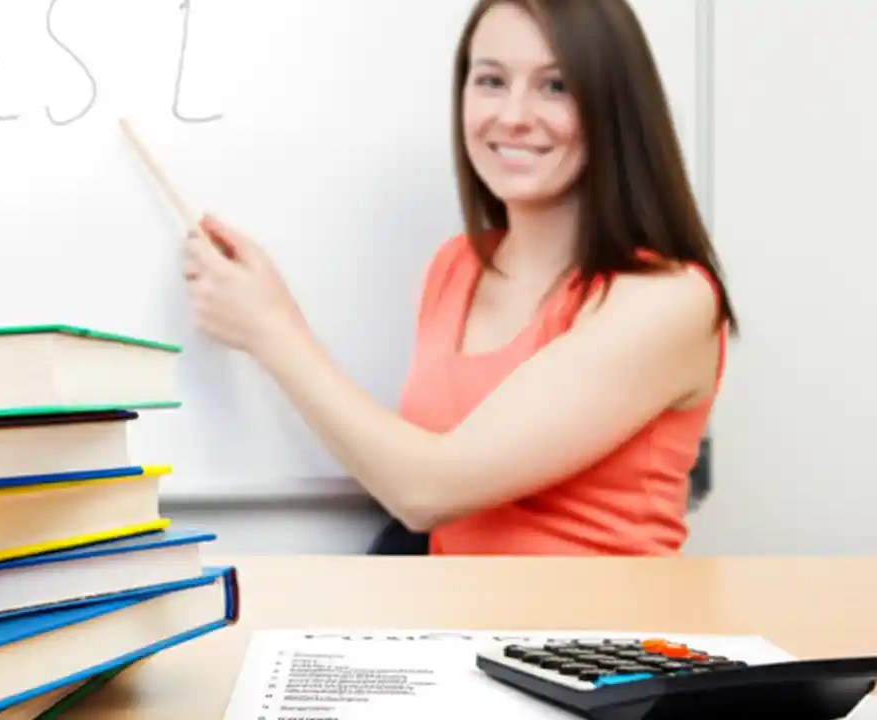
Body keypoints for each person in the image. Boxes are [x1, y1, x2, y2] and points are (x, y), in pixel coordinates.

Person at [179, 0, 736, 556]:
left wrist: (271, 331)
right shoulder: (457, 267)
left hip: (593, 637)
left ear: (614, 106)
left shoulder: (668, 300)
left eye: (556, 86)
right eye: (491, 80)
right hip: (455, 628)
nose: (513, 115)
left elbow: (429, 490)